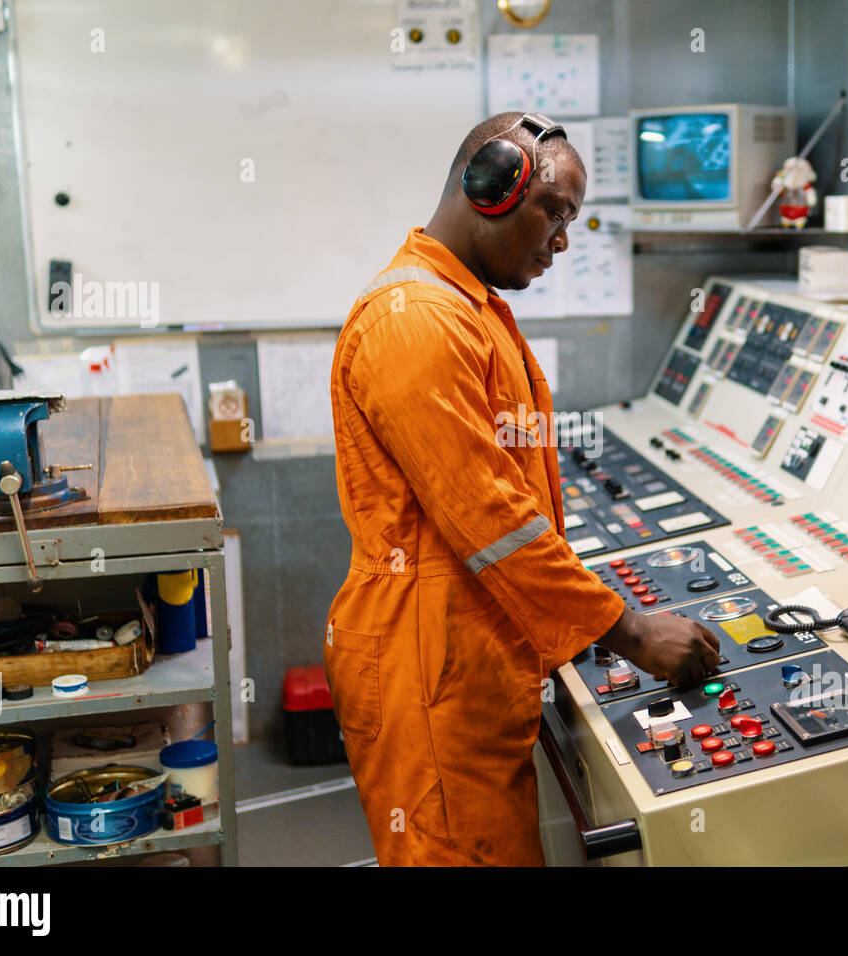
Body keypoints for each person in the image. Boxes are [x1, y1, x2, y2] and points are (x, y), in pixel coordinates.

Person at [325, 112, 719, 866]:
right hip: (428, 669)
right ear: (491, 188)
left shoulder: (469, 307)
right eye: (556, 212)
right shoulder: (417, 323)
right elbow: (490, 519)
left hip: (467, 658)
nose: (563, 241)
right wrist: (627, 631)